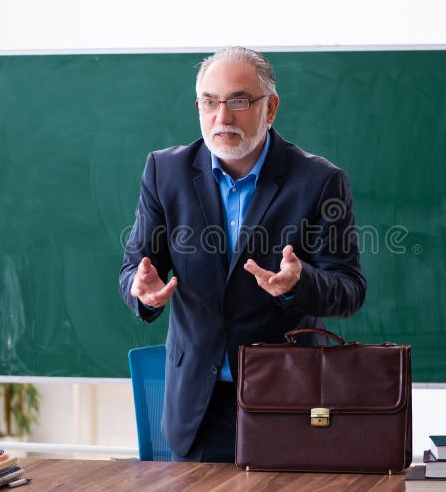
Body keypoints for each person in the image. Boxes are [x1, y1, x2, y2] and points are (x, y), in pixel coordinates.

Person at [119, 47, 366, 462]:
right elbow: (135, 269)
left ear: (270, 108)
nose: (222, 117)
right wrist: (141, 290)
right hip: (197, 406)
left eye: (238, 101)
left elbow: (350, 289)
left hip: (287, 401)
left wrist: (298, 282)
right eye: (210, 102)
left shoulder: (320, 181)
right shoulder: (166, 173)